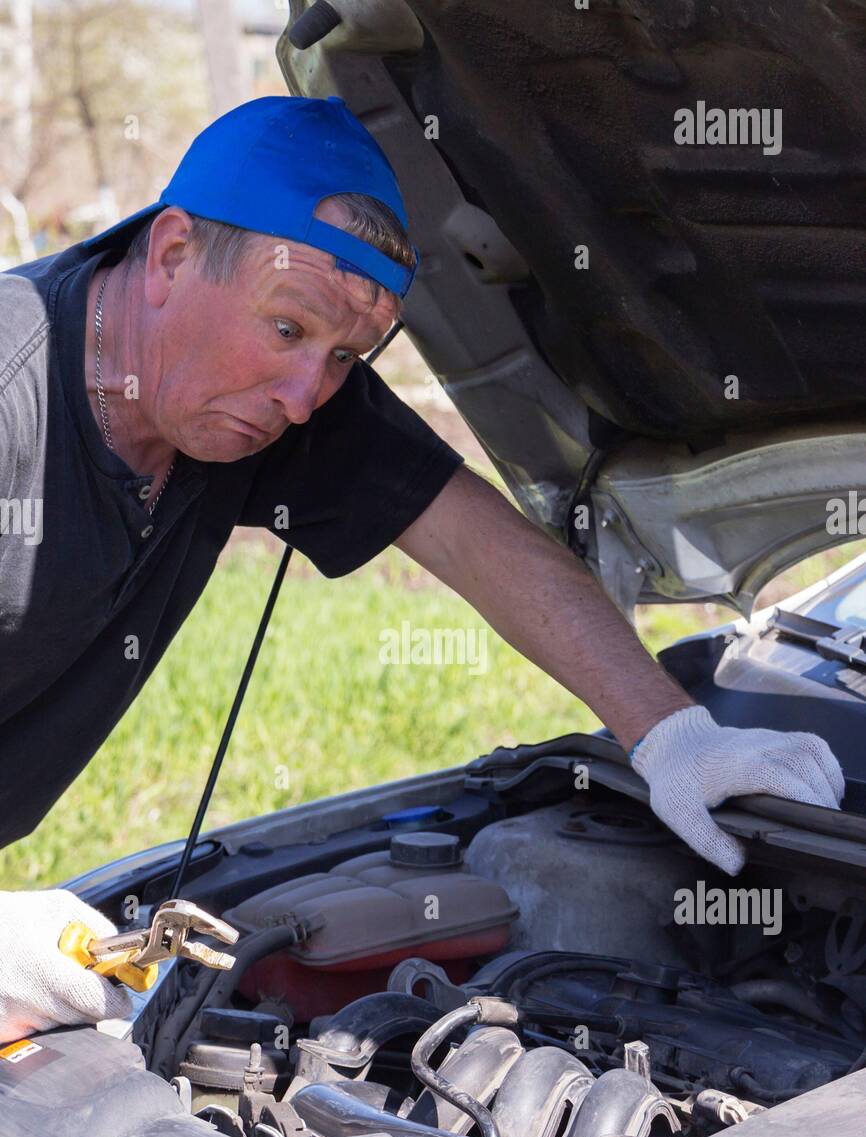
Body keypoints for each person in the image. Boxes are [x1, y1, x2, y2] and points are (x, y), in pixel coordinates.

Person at [0, 97, 844, 1042]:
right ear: (170, 256)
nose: (305, 397)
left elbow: (480, 541)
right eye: (287, 331)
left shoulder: (270, 396)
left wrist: (672, 736)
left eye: (345, 356)